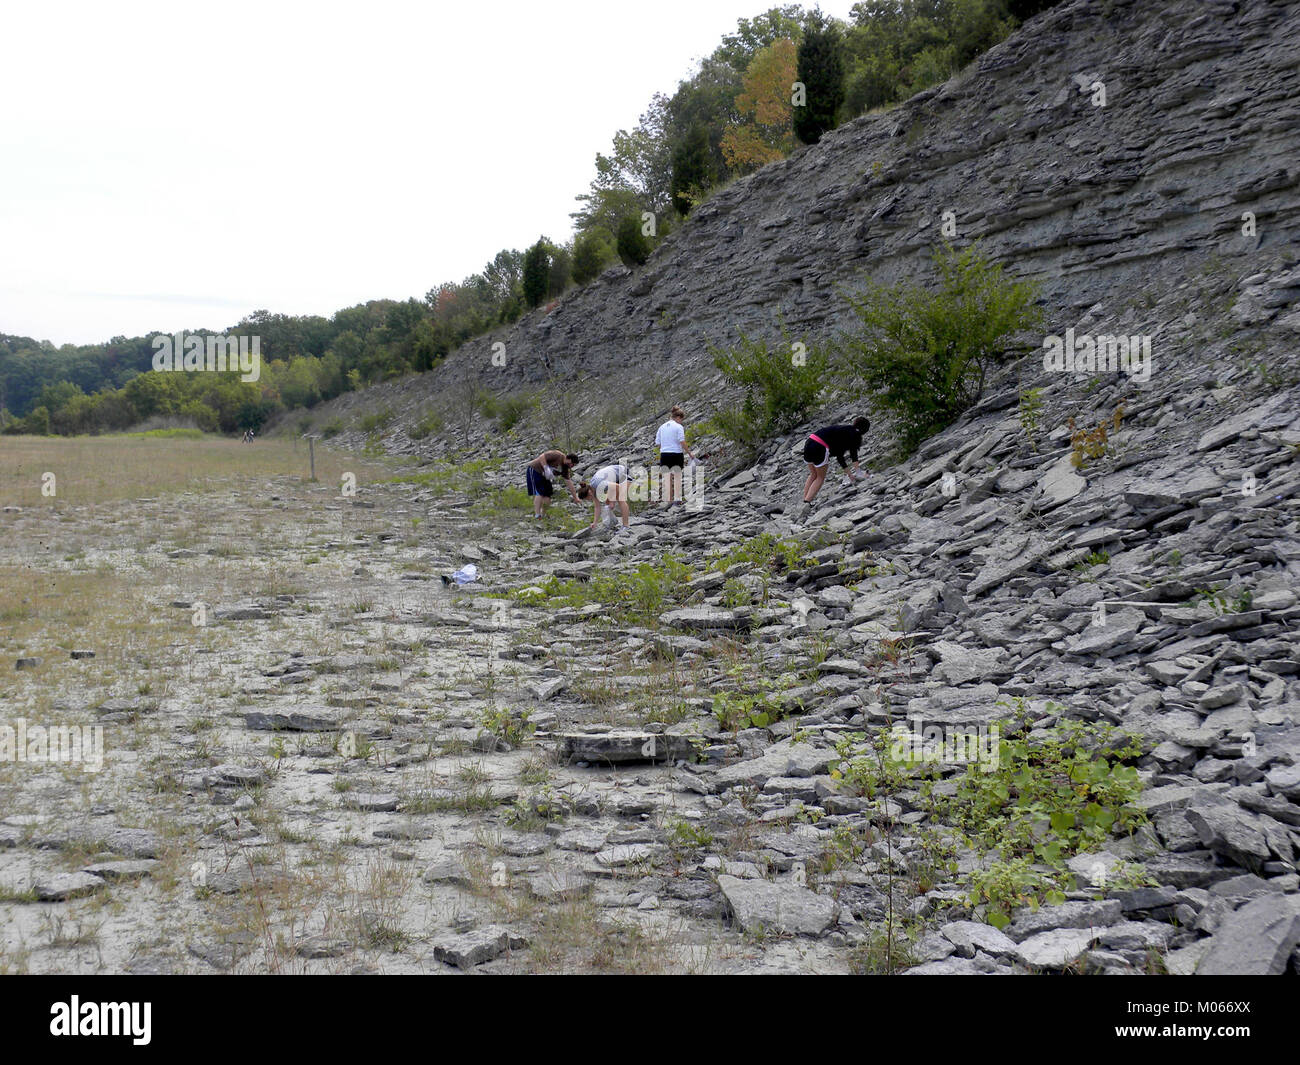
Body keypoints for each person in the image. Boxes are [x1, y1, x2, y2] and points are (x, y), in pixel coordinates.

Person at [801, 417, 870, 512]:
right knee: (820, 478)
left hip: (809, 442)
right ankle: (806, 503)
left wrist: (849, 474)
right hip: (819, 446)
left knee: (813, 474)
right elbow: (853, 455)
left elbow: (839, 456)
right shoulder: (855, 435)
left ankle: (804, 502)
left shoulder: (843, 430)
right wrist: (858, 473)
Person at [654, 405, 696, 507]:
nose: (681, 422)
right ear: (678, 417)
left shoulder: (661, 427)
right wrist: (689, 452)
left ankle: (669, 500)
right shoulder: (678, 427)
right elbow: (682, 441)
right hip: (676, 453)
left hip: (664, 454)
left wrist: (664, 448)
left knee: (667, 477)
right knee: (677, 476)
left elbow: (658, 443)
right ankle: (677, 500)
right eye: (681, 420)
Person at [525, 449, 580, 519]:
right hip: (535, 470)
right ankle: (537, 515)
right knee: (540, 492)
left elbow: (569, 482)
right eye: (572, 464)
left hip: (546, 476)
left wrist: (575, 498)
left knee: (548, 494)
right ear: (569, 459)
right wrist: (546, 468)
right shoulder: (557, 455)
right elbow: (542, 456)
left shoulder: (565, 468)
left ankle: (544, 515)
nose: (572, 466)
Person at [577, 463, 630, 531]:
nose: (589, 500)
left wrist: (612, 501)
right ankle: (611, 523)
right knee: (608, 504)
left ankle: (626, 526)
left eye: (587, 499)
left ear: (589, 493)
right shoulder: (593, 490)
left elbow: (617, 486)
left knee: (620, 500)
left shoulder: (599, 484)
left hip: (622, 472)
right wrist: (595, 522)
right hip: (613, 478)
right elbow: (597, 507)